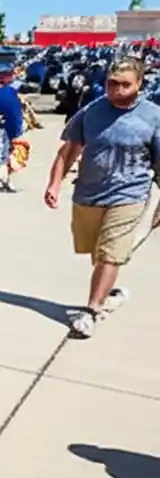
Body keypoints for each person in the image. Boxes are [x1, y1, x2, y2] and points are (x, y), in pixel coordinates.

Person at [44, 56, 160, 338]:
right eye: (111, 83)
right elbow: (69, 150)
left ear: (139, 84)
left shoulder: (154, 117)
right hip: (88, 193)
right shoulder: (91, 111)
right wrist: (54, 183)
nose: (116, 90)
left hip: (129, 194)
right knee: (97, 253)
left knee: (110, 253)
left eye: (124, 84)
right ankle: (109, 288)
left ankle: (92, 309)